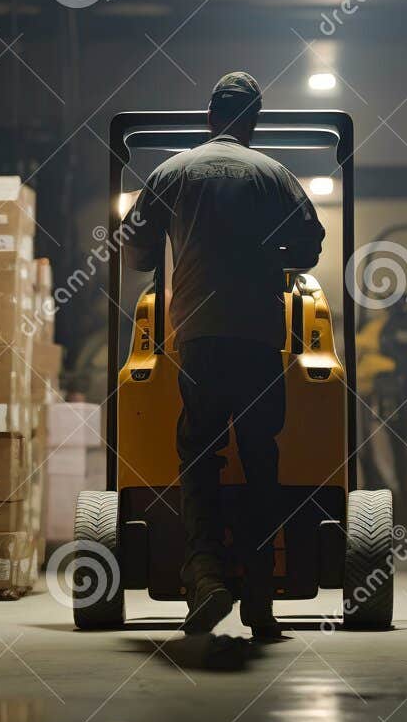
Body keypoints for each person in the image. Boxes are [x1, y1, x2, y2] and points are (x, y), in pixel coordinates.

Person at [123, 71, 325, 643]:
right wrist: (268, 255)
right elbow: (310, 245)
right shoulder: (274, 175)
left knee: (199, 454)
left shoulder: (173, 171)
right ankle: (260, 600)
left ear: (210, 116)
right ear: (254, 121)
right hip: (262, 337)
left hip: (200, 337)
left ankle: (207, 578)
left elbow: (136, 249)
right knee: (262, 459)